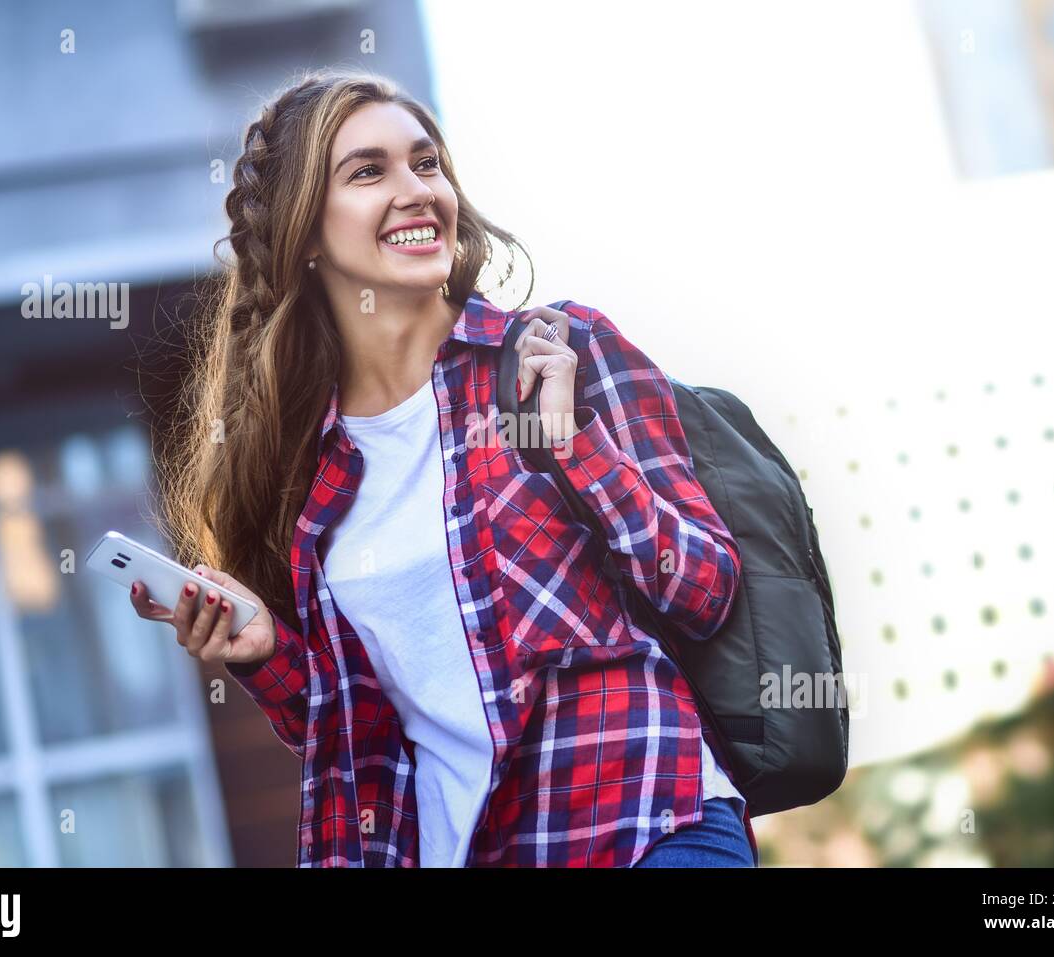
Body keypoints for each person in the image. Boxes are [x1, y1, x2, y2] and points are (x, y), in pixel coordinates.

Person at [130, 67, 757, 868]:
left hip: (648, 826)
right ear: (306, 233)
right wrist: (267, 654)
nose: (416, 189)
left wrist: (573, 444)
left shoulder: (559, 351)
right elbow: (366, 740)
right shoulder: (308, 472)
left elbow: (704, 588)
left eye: (426, 163)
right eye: (369, 171)